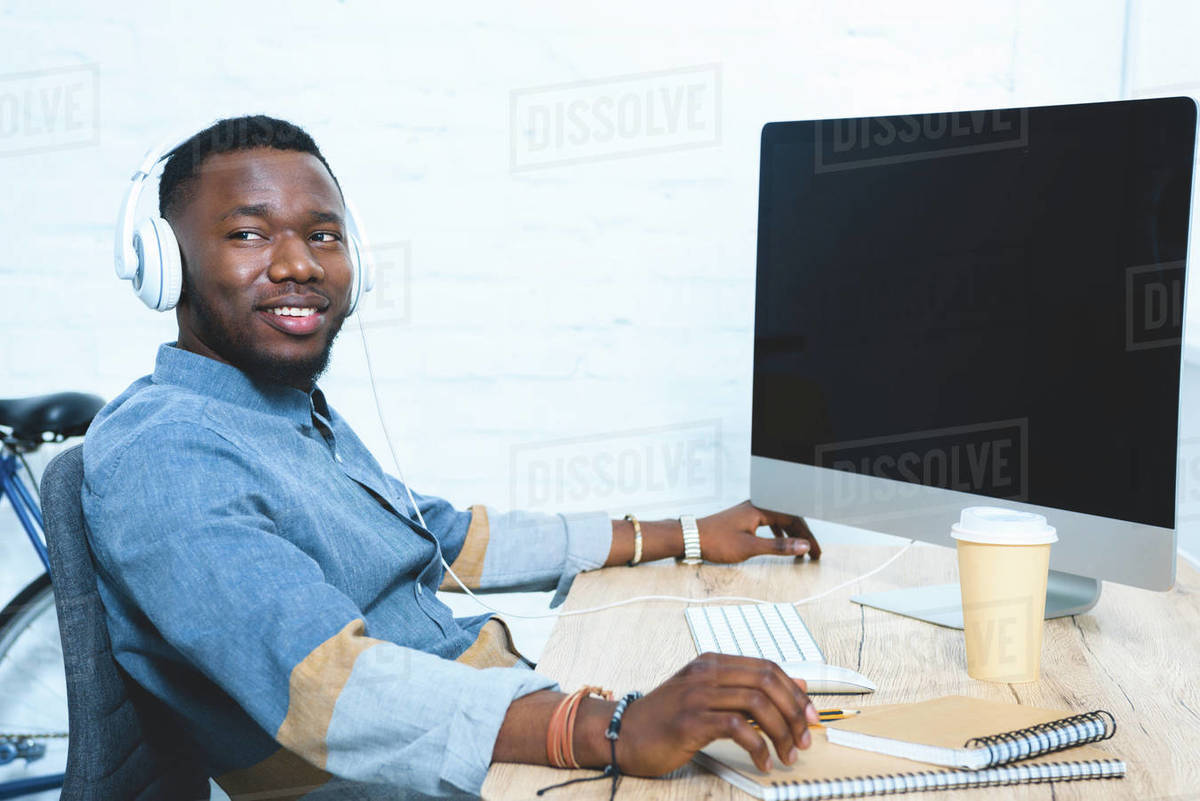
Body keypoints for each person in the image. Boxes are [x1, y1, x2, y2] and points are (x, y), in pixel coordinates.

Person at [82, 116, 824, 801]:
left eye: (324, 235)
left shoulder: (278, 411)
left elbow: (437, 533)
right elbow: (324, 688)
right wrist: (611, 726)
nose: (298, 263)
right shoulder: (166, 451)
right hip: (430, 778)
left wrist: (686, 535)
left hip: (499, 728)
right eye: (249, 234)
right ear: (163, 263)